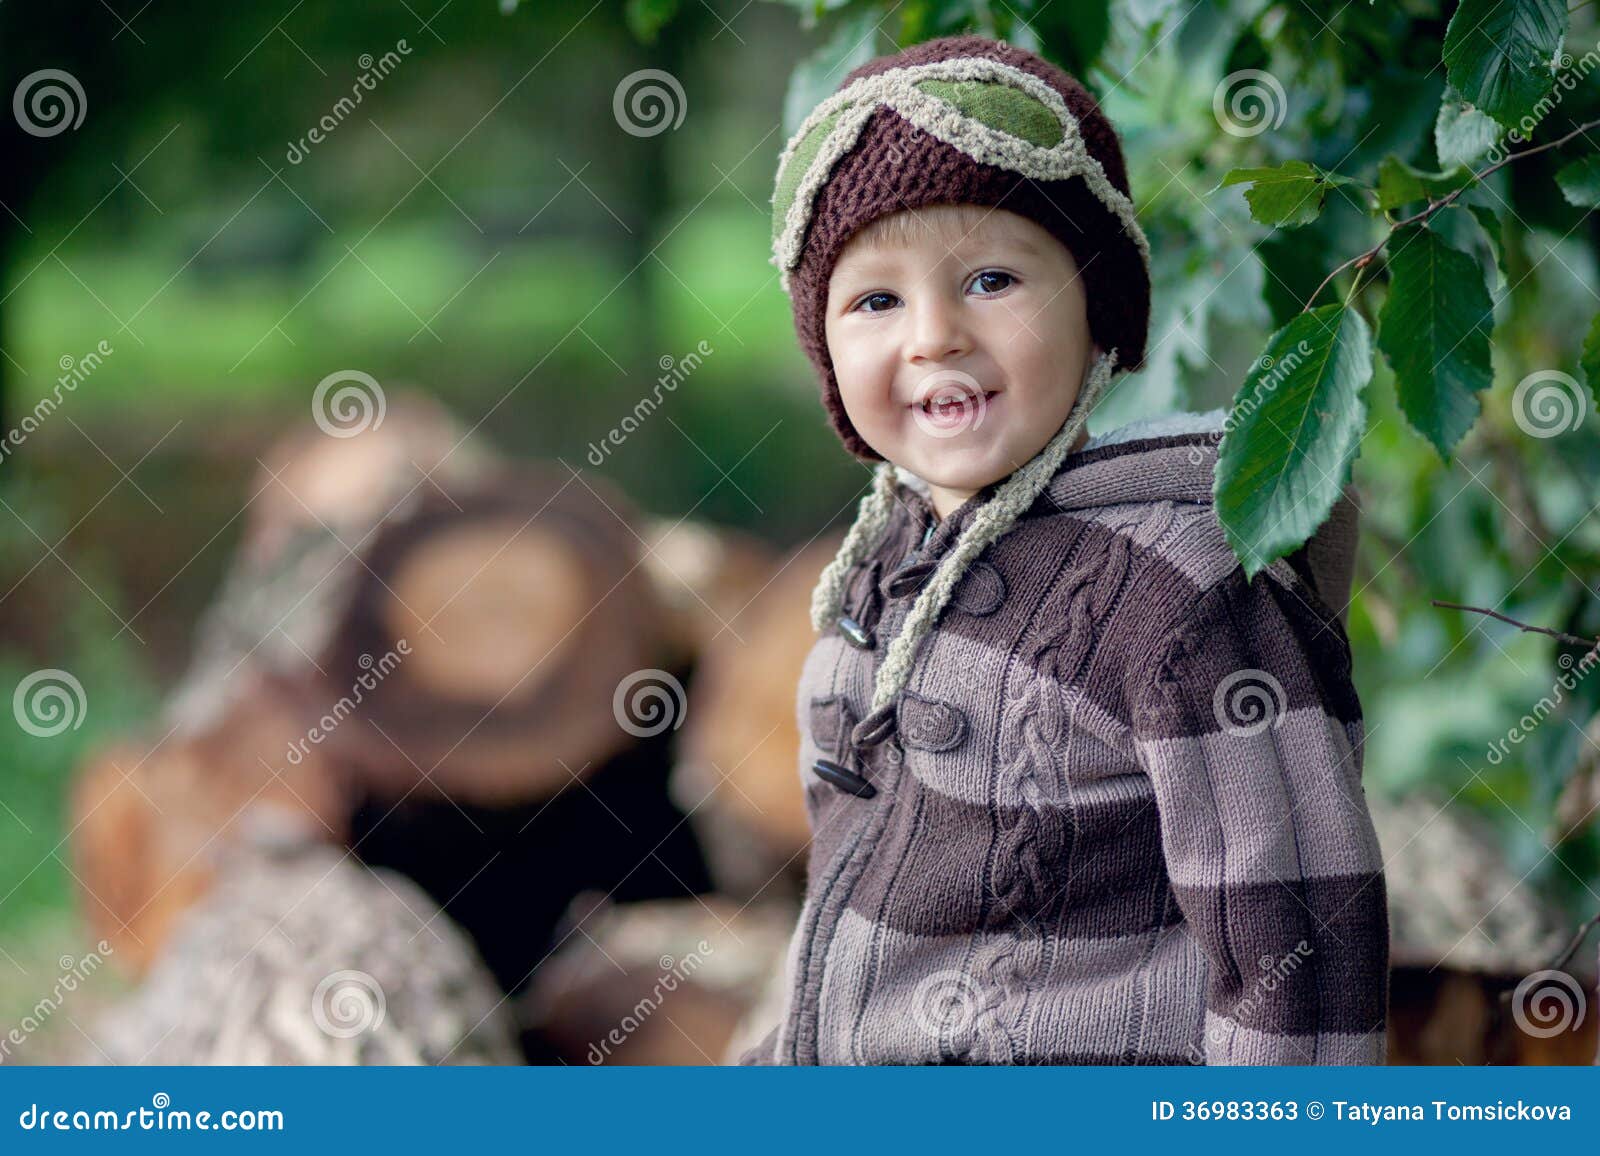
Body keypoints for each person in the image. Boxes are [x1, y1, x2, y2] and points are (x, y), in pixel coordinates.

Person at [739, 33, 1388, 1065]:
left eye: (992, 279)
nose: (933, 335)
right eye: (875, 300)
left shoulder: (1179, 588)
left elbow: (1296, 929)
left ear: (1097, 309)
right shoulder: (883, 568)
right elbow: (845, 912)